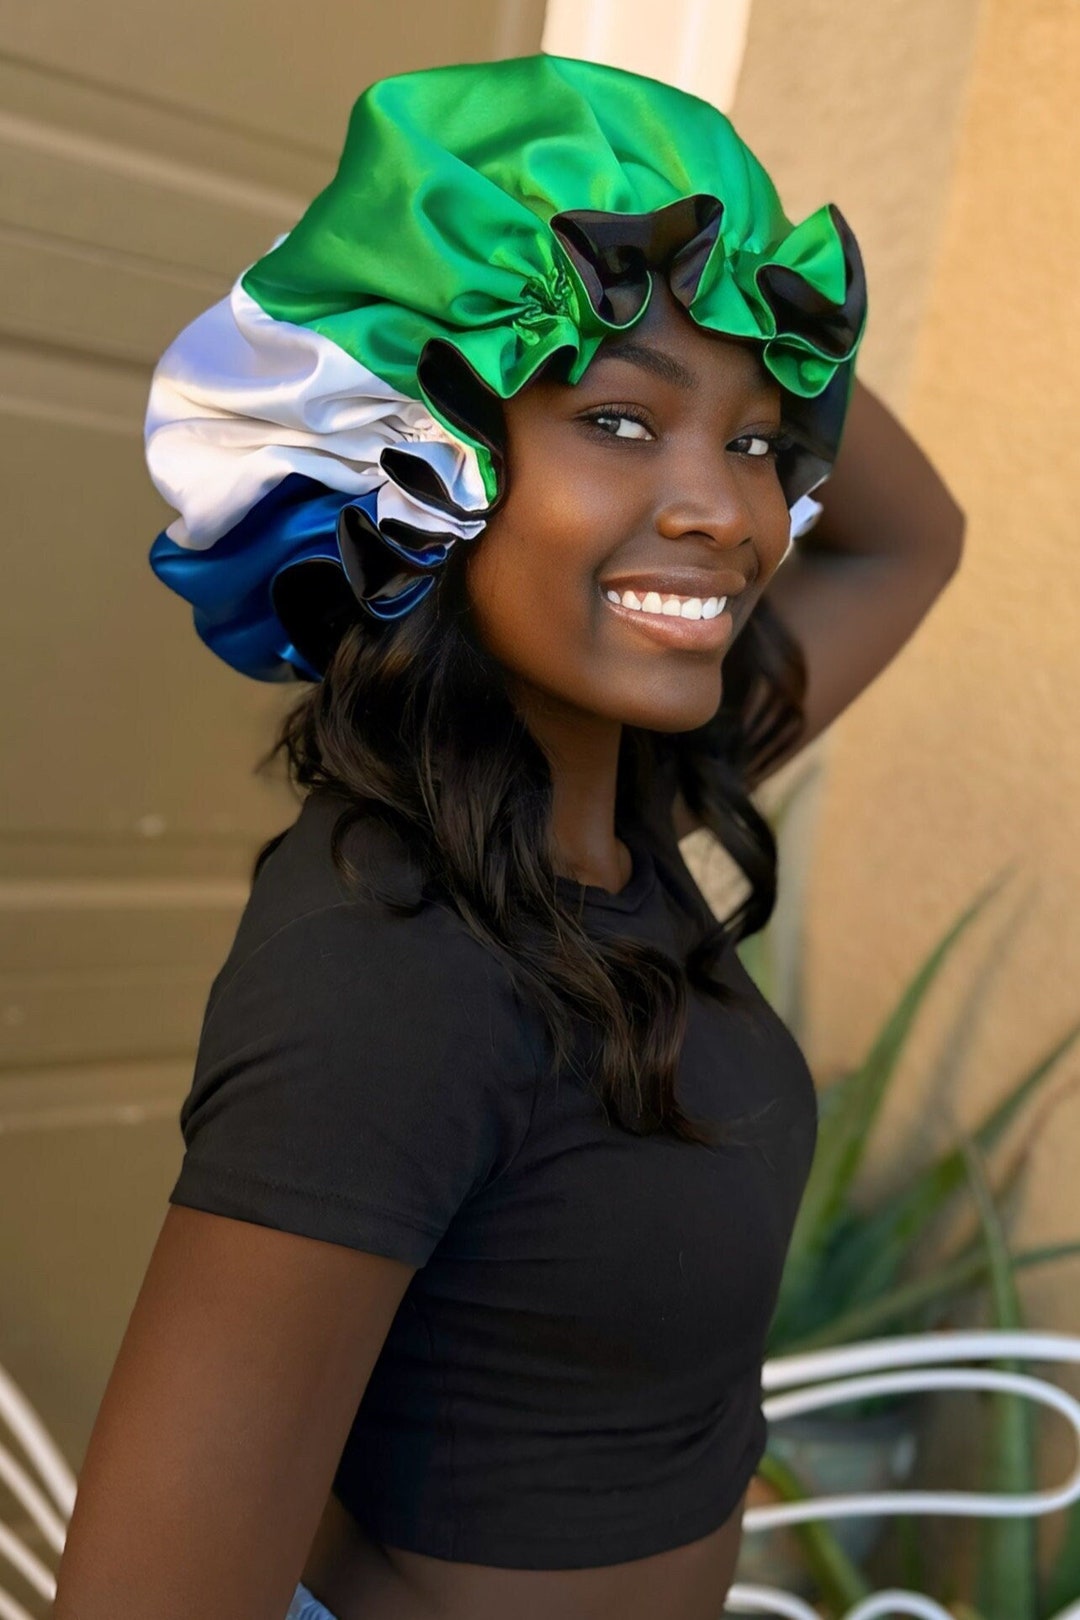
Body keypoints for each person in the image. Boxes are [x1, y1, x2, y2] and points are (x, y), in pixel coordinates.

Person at [53, 53, 964, 1620]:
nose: (732, 514)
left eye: (755, 443)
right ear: (428, 466)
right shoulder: (389, 968)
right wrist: (485, 268)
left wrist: (722, 275)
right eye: (619, 420)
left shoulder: (640, 812)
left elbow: (908, 536)